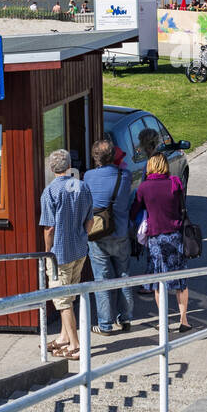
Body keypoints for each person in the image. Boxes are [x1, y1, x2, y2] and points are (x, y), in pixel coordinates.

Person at [40, 148, 94, 360]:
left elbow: (49, 228)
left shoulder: (50, 192)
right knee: (69, 297)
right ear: (69, 165)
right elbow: (90, 220)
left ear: (52, 168)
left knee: (62, 301)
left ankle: (75, 345)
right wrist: (82, 236)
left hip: (59, 254)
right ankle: (63, 338)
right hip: (80, 250)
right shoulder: (82, 187)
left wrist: (47, 252)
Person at [133, 154, 191, 331]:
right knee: (180, 279)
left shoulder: (144, 187)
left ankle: (163, 320)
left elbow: (134, 209)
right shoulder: (175, 183)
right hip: (175, 235)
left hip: (156, 237)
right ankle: (184, 320)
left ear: (149, 167)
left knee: (159, 279)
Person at [84, 138, 134, 335]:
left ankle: (105, 324)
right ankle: (126, 318)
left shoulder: (88, 176)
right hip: (121, 231)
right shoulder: (126, 175)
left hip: (97, 233)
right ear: (113, 155)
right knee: (124, 275)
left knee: (102, 279)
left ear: (96, 158)